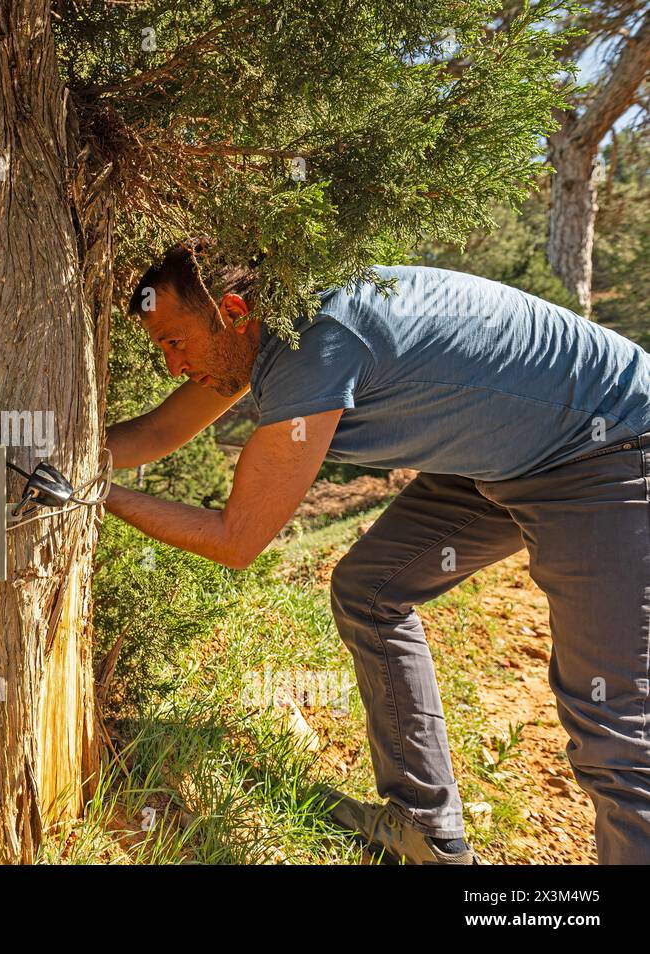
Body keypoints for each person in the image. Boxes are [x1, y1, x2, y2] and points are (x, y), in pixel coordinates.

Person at [105, 239, 650, 864]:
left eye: (175, 342)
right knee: (372, 591)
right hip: (504, 459)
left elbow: (237, 540)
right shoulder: (262, 332)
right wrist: (63, 450)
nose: (172, 366)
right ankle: (426, 829)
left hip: (612, 448)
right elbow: (159, 431)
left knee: (615, 726)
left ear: (232, 311)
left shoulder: (318, 341)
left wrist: (94, 491)